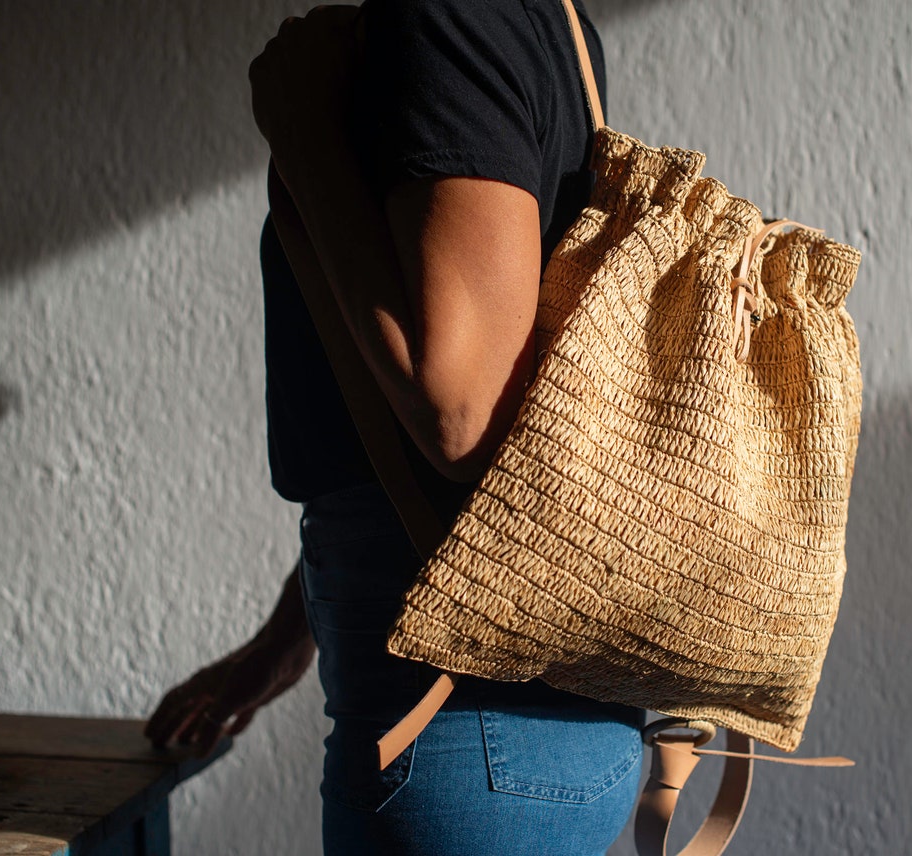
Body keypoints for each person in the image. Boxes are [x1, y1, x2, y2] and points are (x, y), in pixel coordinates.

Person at [146, 1, 645, 853]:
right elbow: (484, 454)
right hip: (537, 736)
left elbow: (460, 414)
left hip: (460, 738)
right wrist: (286, 638)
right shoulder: (546, 22)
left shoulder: (448, 15)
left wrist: (305, 134)